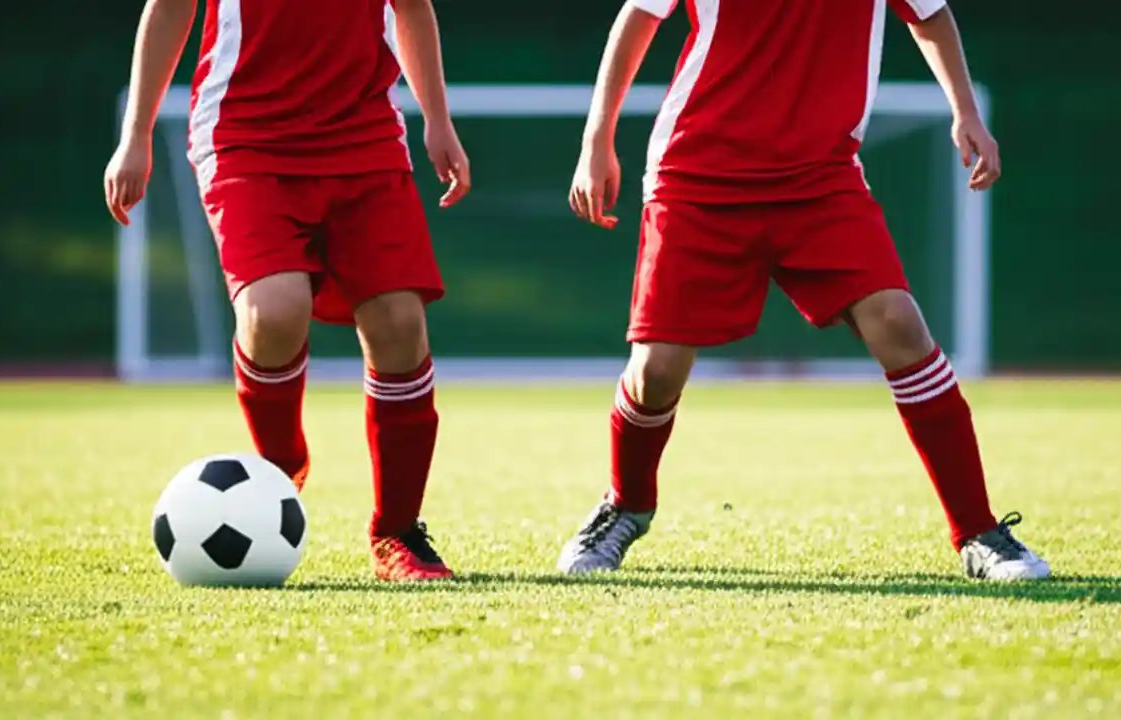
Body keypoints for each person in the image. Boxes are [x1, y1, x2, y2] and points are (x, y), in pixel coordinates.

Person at [560, 0, 1050, 581]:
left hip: (819, 178)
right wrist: (597, 138)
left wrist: (964, 110)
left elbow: (930, 14)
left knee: (898, 322)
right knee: (656, 369)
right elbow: (638, 17)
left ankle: (978, 531)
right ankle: (626, 505)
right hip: (698, 173)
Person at [103, 0, 470, 581]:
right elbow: (169, 9)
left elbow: (413, 10)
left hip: (362, 131)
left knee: (400, 322)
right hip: (245, 133)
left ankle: (398, 532)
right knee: (273, 311)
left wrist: (438, 119)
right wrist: (136, 137)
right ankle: (279, 468)